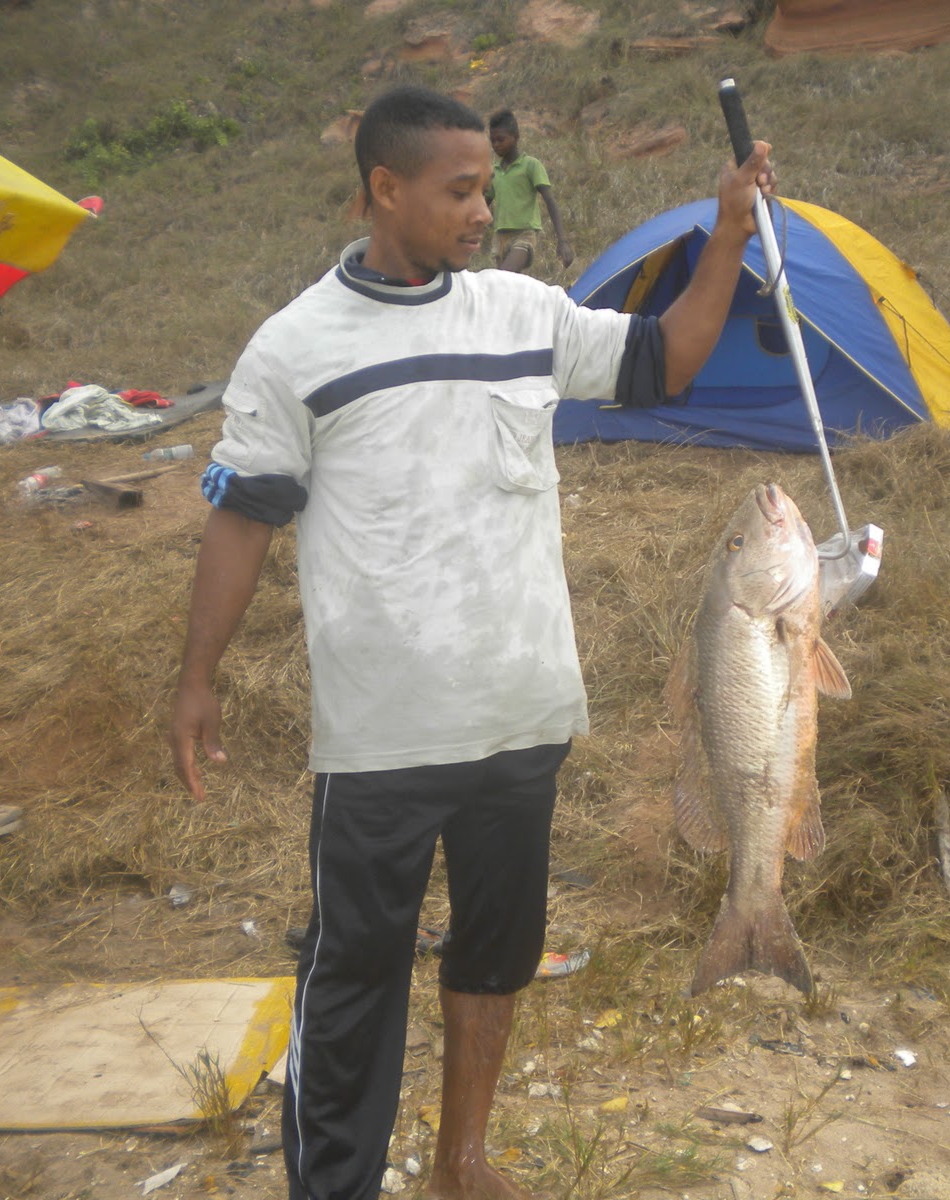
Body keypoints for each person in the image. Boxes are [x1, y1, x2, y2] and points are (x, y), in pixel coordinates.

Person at [169, 84, 771, 1200]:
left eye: (486, 188)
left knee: (494, 955)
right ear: (383, 190)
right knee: (355, 975)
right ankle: (334, 1185)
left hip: (522, 712)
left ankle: (463, 1160)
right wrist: (195, 680)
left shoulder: (521, 313)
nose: (482, 211)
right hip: (384, 737)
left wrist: (728, 232)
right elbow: (243, 516)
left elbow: (668, 358)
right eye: (457, 191)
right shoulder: (296, 346)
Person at [485, 109, 573, 274]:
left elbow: (550, 202)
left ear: (516, 137)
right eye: (493, 140)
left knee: (505, 276)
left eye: (501, 139)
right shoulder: (493, 172)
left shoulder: (531, 165)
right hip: (500, 237)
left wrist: (563, 241)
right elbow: (483, 204)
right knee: (507, 287)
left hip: (524, 235)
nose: (496, 144)